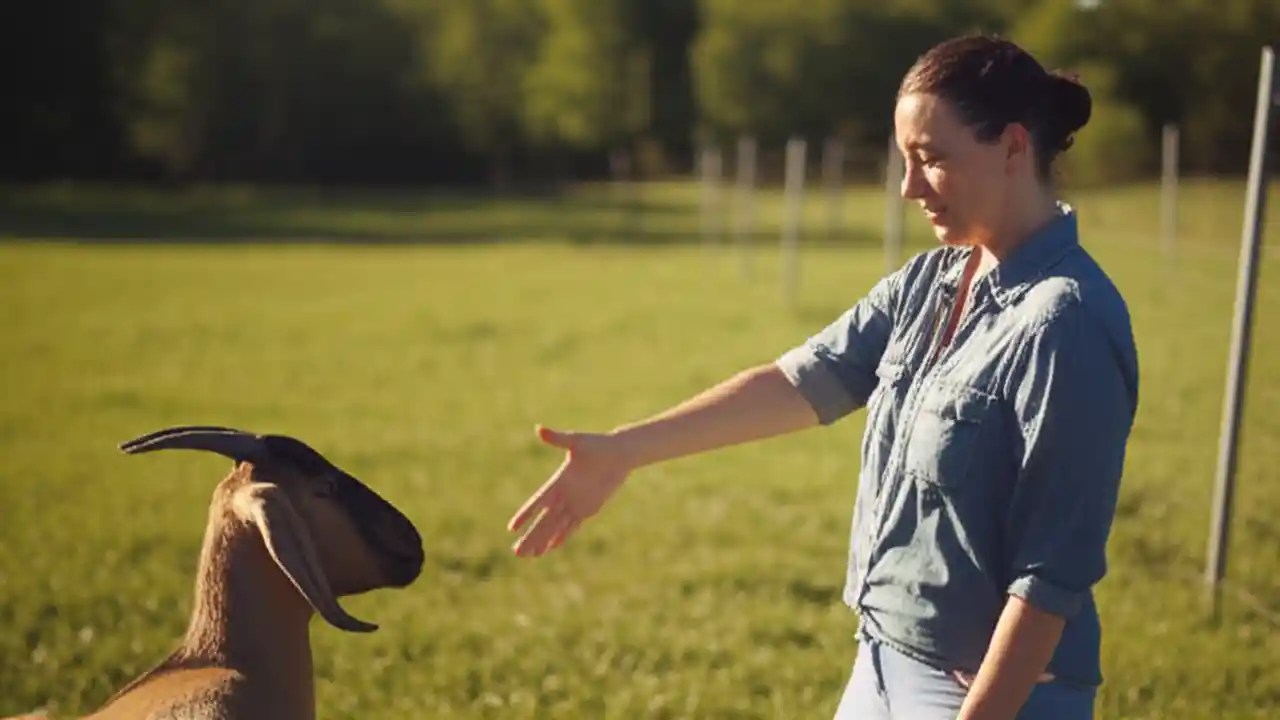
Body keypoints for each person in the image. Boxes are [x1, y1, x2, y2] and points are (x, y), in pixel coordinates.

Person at [506, 34, 1138, 720]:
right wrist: (626, 449)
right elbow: (801, 382)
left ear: (1015, 146)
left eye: (931, 159)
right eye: (905, 160)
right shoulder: (930, 281)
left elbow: (1050, 578)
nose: (909, 187)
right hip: (879, 664)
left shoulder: (1065, 321)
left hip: (994, 696)